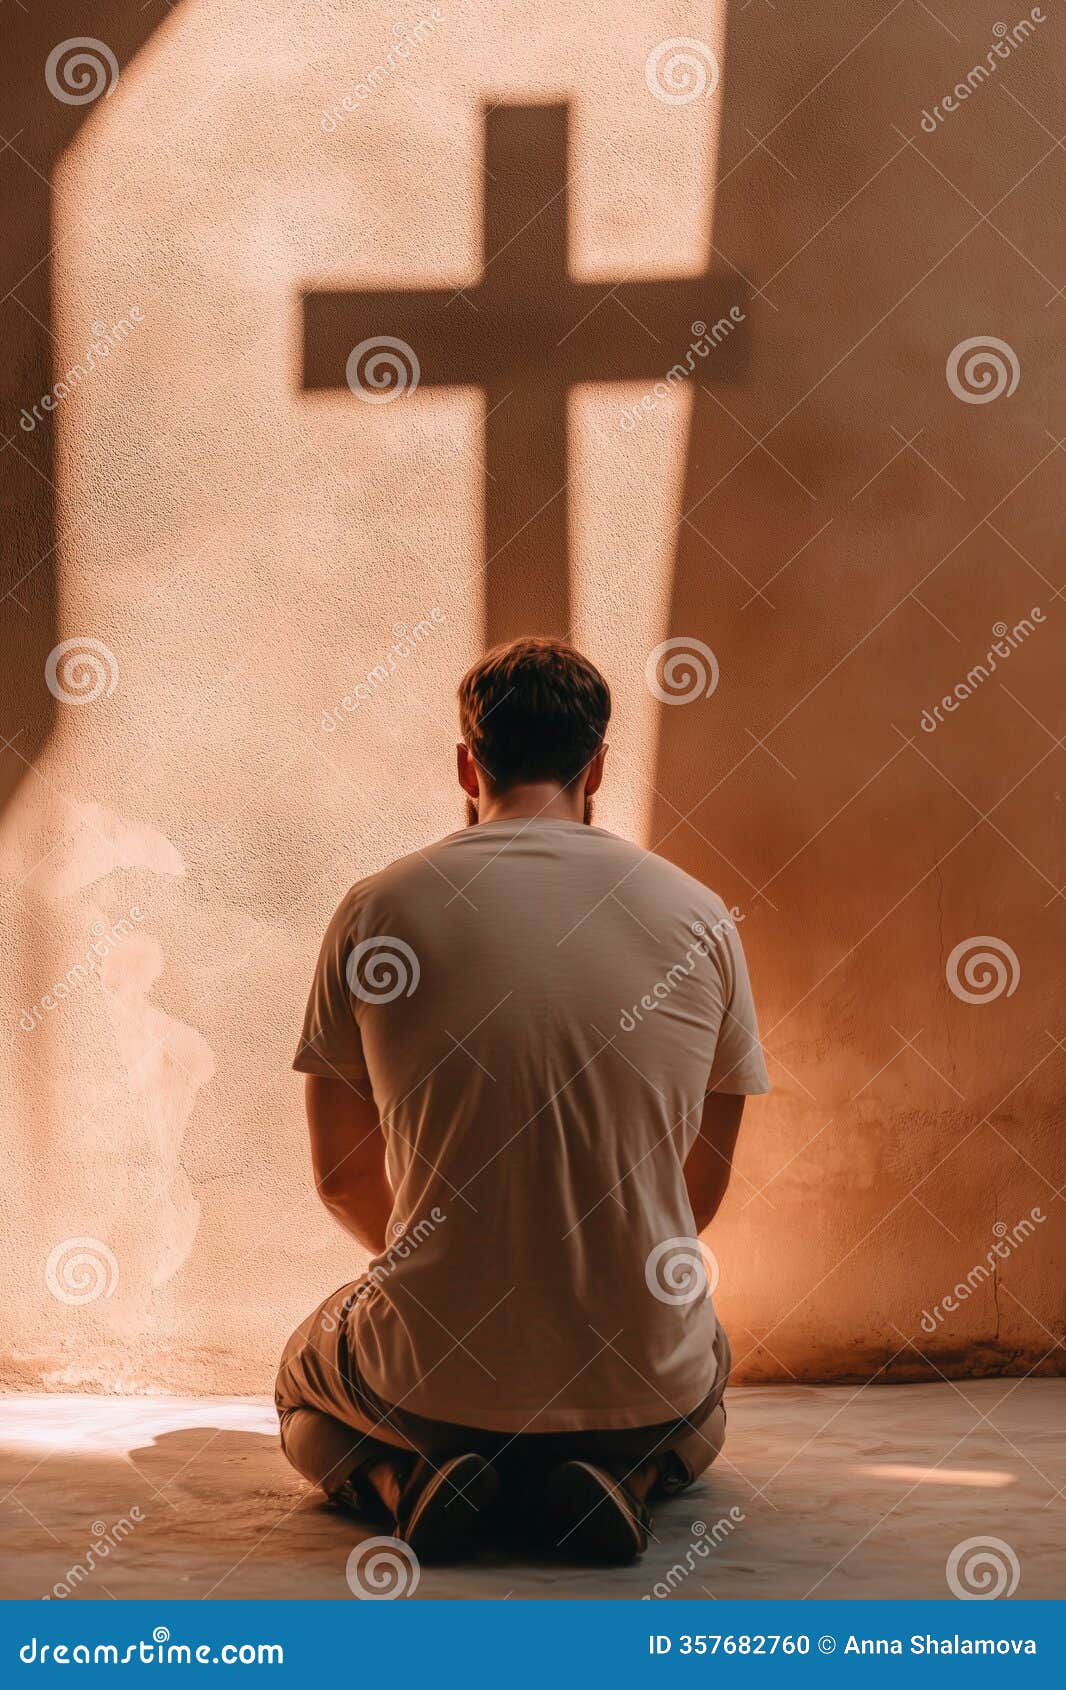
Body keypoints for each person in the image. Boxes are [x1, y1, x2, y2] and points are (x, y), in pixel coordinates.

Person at [277, 637, 769, 1563]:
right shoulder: (702, 917)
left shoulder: (375, 909)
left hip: (427, 1387)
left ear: (468, 762)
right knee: (705, 1386)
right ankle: (628, 1479)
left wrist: (462, 1264)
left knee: (301, 1387)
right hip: (636, 1378)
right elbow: (696, 1196)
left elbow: (341, 1181)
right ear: (598, 767)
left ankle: (403, 1483)